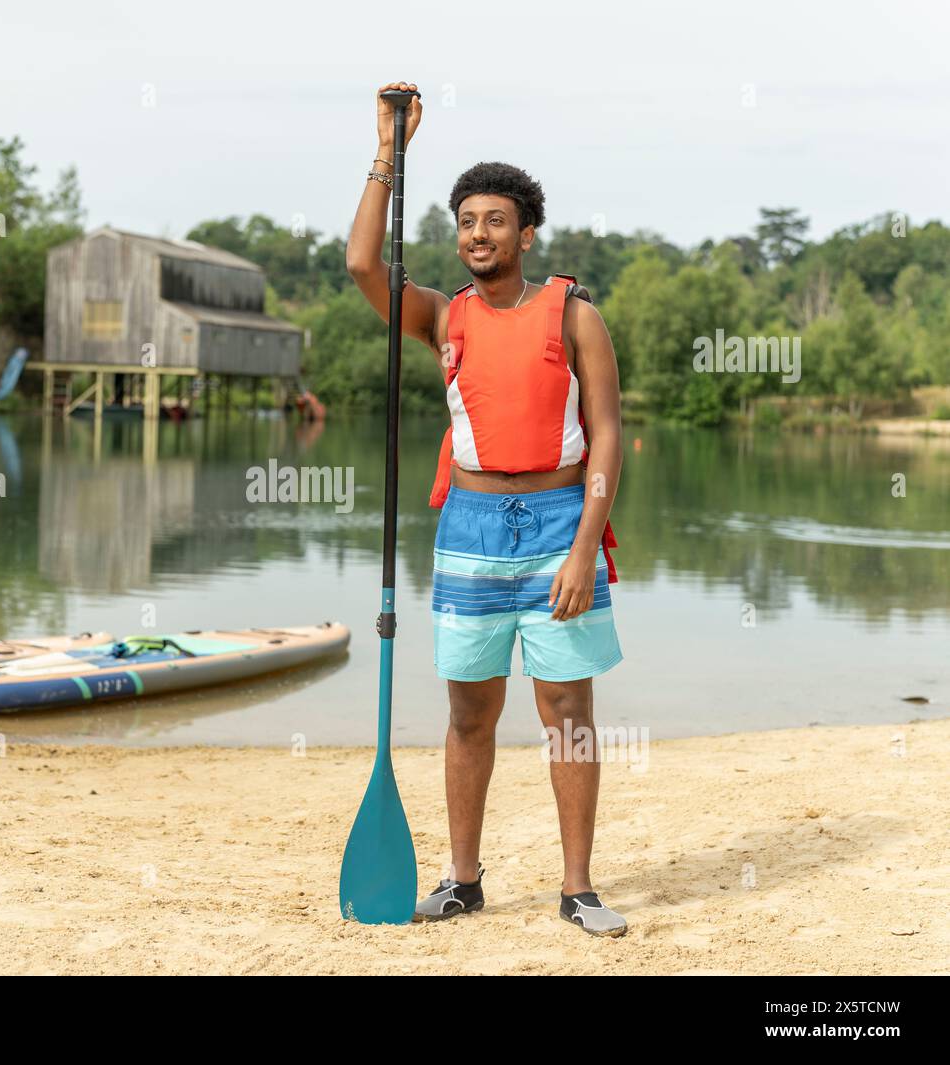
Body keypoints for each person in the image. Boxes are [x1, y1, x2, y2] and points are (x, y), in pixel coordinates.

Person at [345, 81, 627, 936]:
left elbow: (608, 436)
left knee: (566, 712)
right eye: (467, 219)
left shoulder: (573, 313)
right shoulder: (440, 315)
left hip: (555, 526)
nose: (478, 232)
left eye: (495, 219)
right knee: (471, 711)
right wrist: (389, 154)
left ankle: (577, 885)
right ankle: (463, 879)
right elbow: (362, 263)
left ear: (525, 231)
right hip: (467, 531)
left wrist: (583, 546)